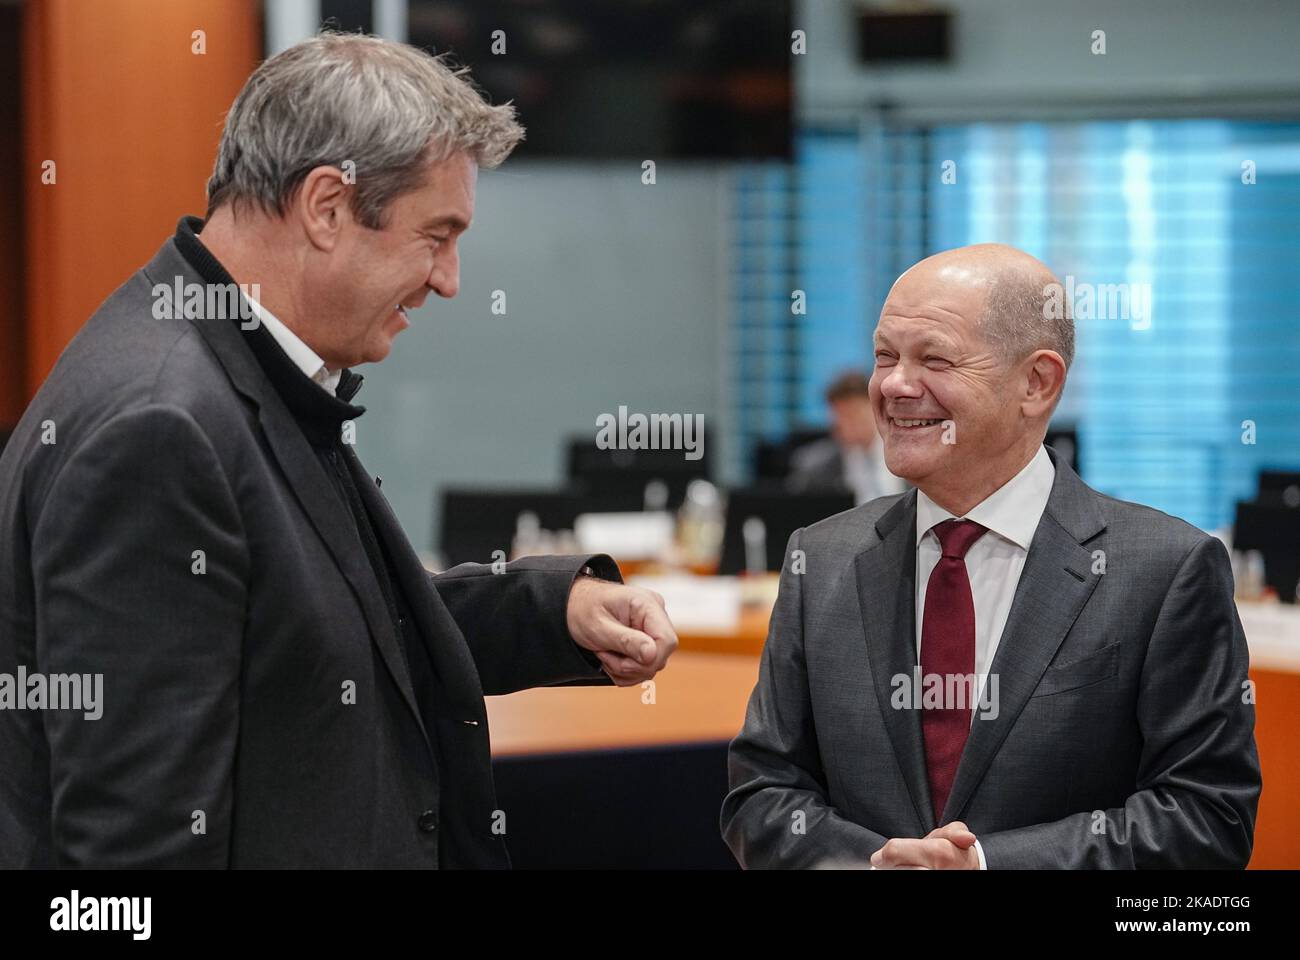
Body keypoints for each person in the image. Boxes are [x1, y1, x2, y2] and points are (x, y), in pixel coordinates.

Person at [0, 33, 677, 868]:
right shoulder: (160, 428)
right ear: (326, 206)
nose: (450, 280)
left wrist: (551, 611)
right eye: (437, 235)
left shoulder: (234, 367)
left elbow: (324, 628)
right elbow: (133, 853)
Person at [721, 243, 1260, 868]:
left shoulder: (1165, 570)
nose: (895, 385)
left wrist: (986, 866)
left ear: (1037, 383)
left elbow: (1206, 818)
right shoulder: (820, 558)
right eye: (885, 356)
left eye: (935, 359)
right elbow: (762, 794)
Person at [786, 370, 905, 504]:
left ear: (877, 409)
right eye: (838, 415)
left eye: (852, 414)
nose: (843, 423)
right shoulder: (815, 470)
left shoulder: (907, 454)